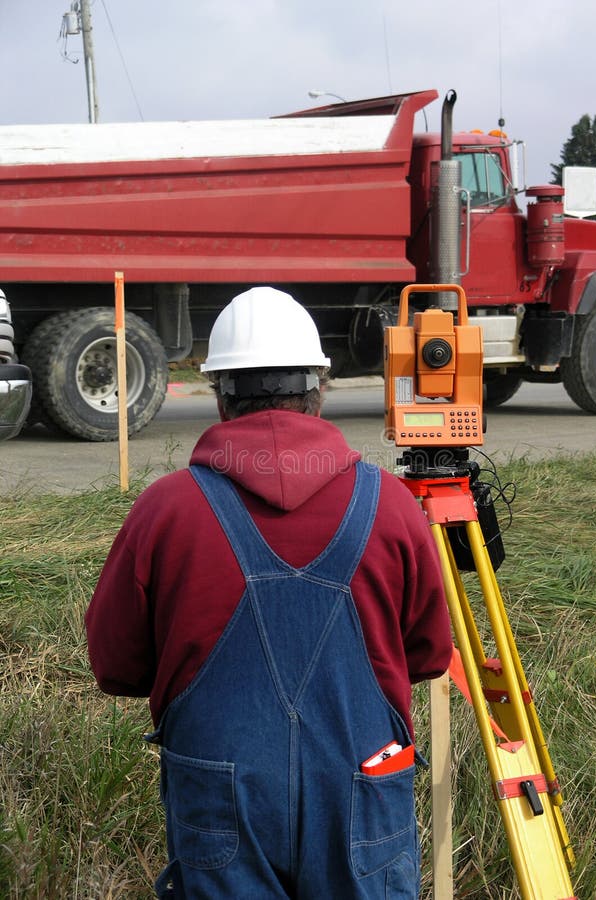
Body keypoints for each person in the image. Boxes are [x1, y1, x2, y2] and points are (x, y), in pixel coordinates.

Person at [85, 286, 453, 899]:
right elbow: (429, 656)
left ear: (220, 394)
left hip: (220, 796)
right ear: (319, 388)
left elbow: (118, 667)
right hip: (364, 787)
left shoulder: (166, 511)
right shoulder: (390, 506)